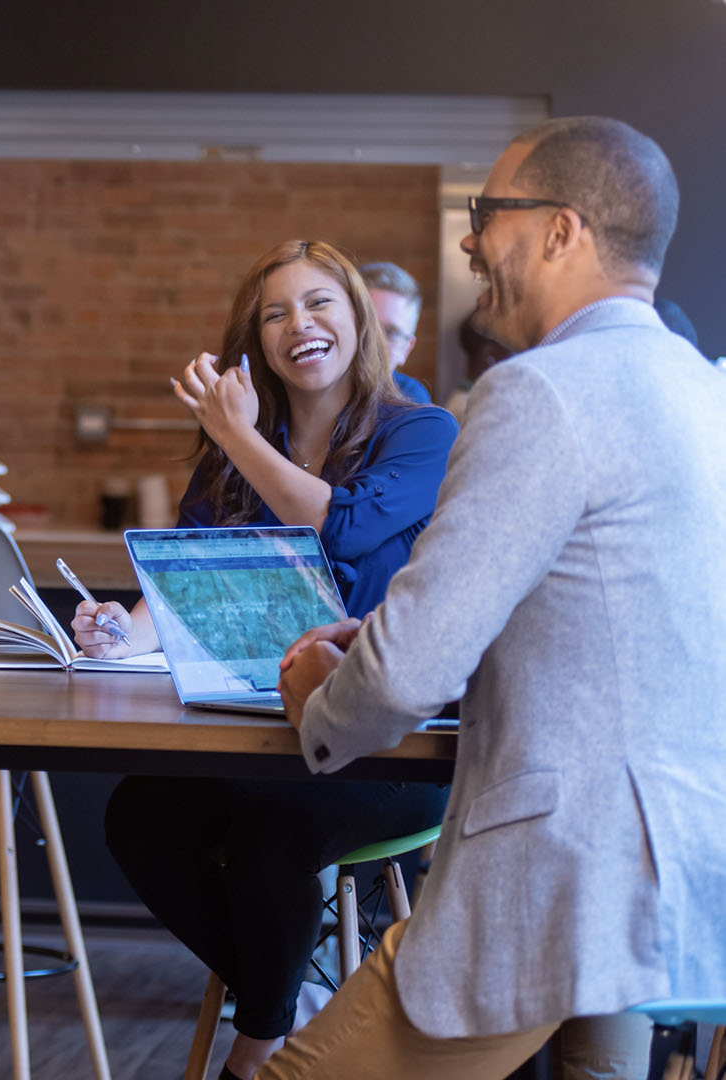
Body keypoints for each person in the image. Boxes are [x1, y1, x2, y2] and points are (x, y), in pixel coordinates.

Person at [270, 117, 726, 1079]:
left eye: (489, 214)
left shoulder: (540, 392)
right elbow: (616, 610)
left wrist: (322, 700)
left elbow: (402, 677)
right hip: (663, 885)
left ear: (561, 232)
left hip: (555, 880)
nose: (472, 241)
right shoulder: (698, 389)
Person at [72, 240, 459, 1079]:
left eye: (319, 303)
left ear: (358, 318)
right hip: (263, 726)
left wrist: (237, 436)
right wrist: (120, 630)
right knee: (138, 816)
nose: (299, 325)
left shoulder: (422, 430)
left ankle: (256, 1054)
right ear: (254, 344)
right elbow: (189, 578)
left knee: (271, 834)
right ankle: (303, 1014)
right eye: (274, 313)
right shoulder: (232, 448)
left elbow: (342, 527)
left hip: (392, 738)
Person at [357, 261, 431, 403]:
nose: (375, 341)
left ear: (406, 349)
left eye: (391, 333)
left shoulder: (412, 401)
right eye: (366, 324)